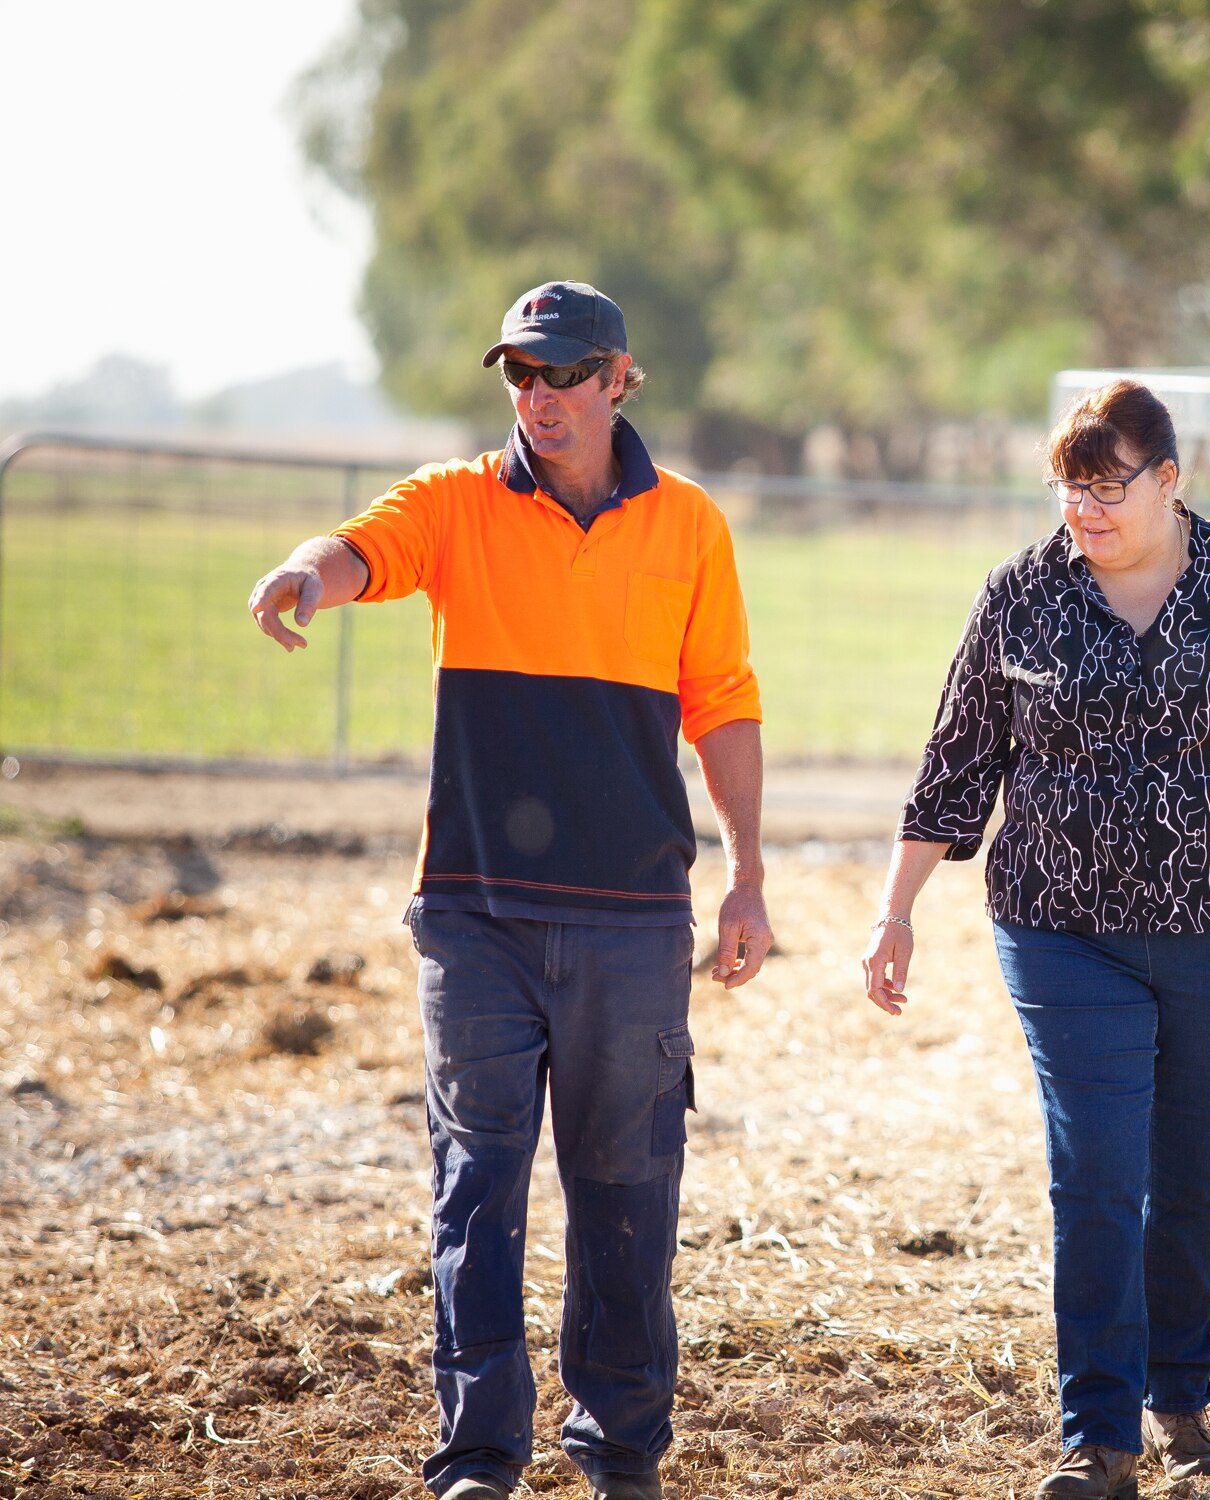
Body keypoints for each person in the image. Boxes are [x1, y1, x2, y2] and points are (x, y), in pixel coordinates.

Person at [246, 281, 773, 1500]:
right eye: (522, 373)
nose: (540, 395)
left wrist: (748, 875)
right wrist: (304, 572)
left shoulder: (690, 524)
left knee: (627, 1189)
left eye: (566, 372)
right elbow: (361, 548)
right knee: (476, 1187)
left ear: (619, 380)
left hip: (635, 917)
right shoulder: (455, 502)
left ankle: (621, 1452)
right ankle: (479, 1456)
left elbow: (724, 701)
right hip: (473, 913)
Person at [861, 379, 1210, 1498]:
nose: (1083, 509)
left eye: (1106, 486)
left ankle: (1177, 1401)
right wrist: (895, 913)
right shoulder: (1020, 596)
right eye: (1068, 487)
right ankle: (1097, 1435)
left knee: (1191, 1172)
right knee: (1094, 1165)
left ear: (1169, 480)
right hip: (1061, 931)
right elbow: (955, 768)